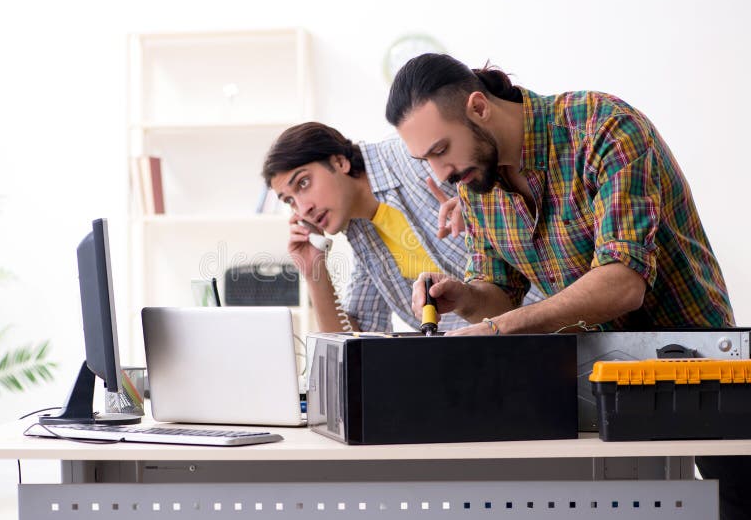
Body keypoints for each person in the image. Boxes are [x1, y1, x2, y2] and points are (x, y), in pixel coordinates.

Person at [385, 53, 744, 519]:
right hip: (590, 378)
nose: (441, 175)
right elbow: (496, 291)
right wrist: (465, 297)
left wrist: (499, 329)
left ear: (478, 107)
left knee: (736, 498)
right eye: (425, 161)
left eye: (439, 150)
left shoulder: (603, 127)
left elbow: (622, 282)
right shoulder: (476, 185)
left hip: (695, 363)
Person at [262, 122, 543, 333]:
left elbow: (513, 171)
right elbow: (355, 338)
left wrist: (476, 204)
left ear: (339, 161)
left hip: (547, 322)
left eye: (303, 183)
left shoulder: (411, 158)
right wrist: (315, 272)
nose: (303, 208)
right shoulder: (362, 233)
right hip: (484, 356)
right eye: (289, 201)